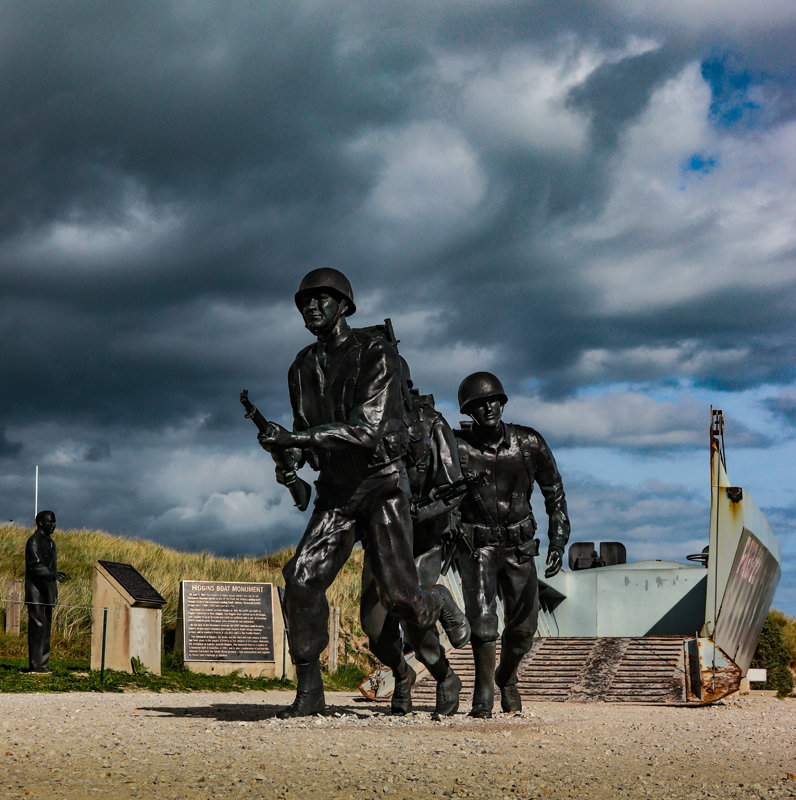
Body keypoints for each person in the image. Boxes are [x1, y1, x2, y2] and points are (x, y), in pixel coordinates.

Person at [256, 268, 470, 718]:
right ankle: (310, 688)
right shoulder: (300, 367)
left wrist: (296, 441)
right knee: (301, 579)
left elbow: (366, 431)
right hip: (336, 492)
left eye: (321, 299)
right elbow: (304, 434)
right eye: (303, 302)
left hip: (381, 487)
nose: (311, 307)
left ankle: (439, 605)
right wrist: (286, 458)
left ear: (344, 305)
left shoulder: (377, 354)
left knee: (401, 599)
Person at [454, 372, 570, 717]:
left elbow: (555, 491)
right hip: (478, 545)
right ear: (468, 411)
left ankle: (507, 677)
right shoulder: (456, 446)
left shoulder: (529, 442)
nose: (487, 407)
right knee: (483, 620)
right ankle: (483, 689)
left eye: (492, 400)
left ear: (502, 403)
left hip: (520, 546)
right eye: (478, 404)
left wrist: (558, 539)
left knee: (523, 629)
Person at [360, 358, 465, 716]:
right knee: (375, 631)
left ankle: (445, 676)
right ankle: (402, 676)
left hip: (423, 538)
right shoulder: (362, 424)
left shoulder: (431, 424)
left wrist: (417, 513)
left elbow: (453, 490)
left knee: (415, 614)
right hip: (382, 537)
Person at [25, 510, 66, 674]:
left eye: (55, 521)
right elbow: (34, 566)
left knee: (46, 628)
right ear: (41, 522)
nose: (54, 525)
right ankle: (35, 665)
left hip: (47, 591)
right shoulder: (33, 541)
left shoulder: (51, 542)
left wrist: (54, 590)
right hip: (36, 591)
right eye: (51, 522)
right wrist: (51, 574)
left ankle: (43, 664)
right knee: (37, 627)